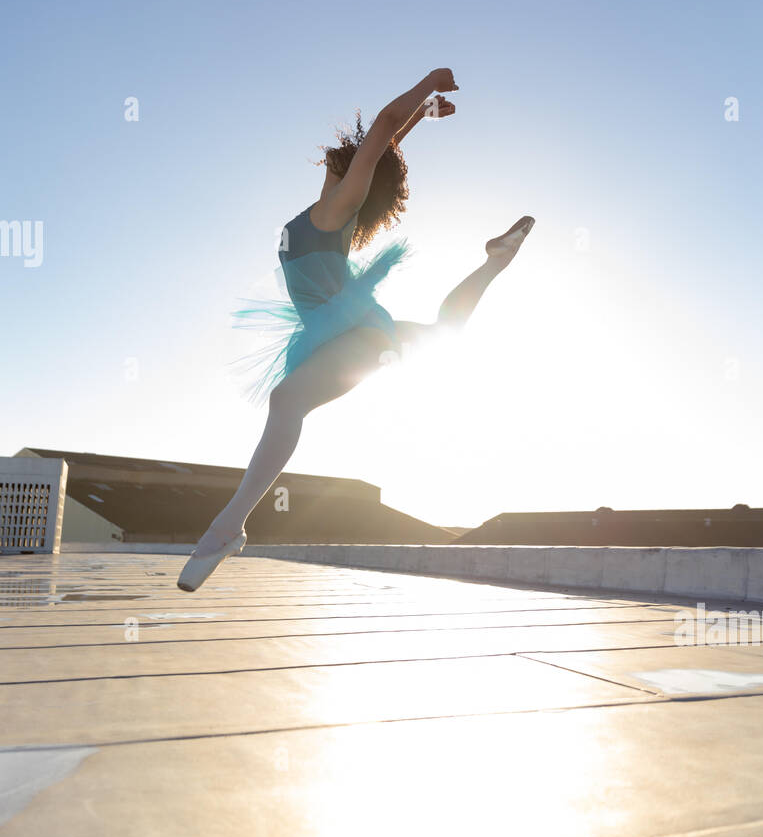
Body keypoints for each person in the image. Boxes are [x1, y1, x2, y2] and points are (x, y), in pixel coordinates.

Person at [178, 68, 533, 591]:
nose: (347, 147)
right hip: (356, 332)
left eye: (360, 149)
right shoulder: (332, 204)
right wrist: (425, 115)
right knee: (438, 332)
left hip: (354, 332)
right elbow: (388, 138)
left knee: (286, 401)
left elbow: (384, 127)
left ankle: (224, 530)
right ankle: (494, 262)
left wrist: (427, 83)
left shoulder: (339, 205)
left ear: (354, 168)